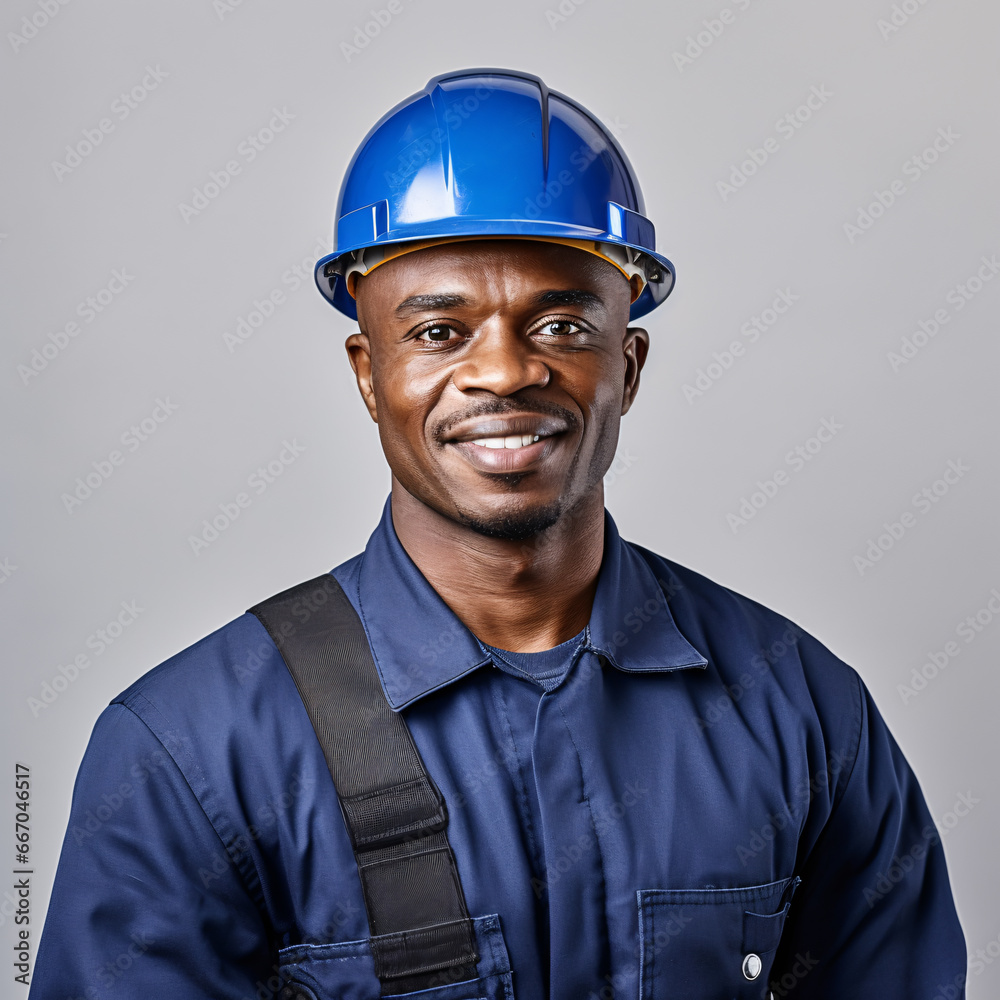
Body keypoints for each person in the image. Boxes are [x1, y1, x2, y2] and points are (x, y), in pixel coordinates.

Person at [30, 68, 966, 1000]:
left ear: (629, 366)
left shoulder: (801, 712)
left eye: (560, 325)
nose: (506, 373)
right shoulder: (189, 751)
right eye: (439, 332)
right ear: (368, 373)